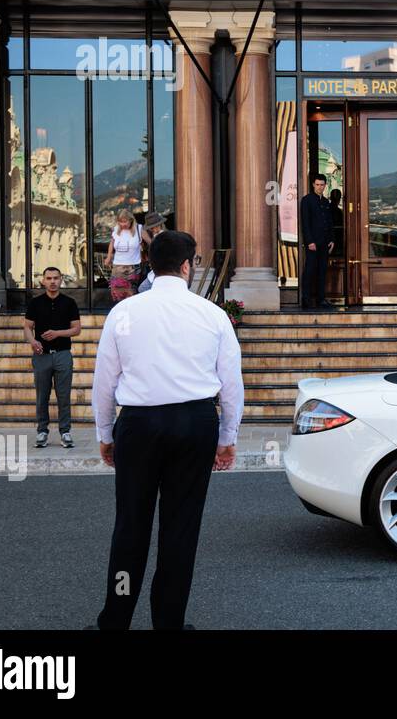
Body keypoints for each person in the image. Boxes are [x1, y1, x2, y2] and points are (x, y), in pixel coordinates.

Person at [90, 230, 244, 631]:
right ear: (188, 265)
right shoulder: (212, 315)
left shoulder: (123, 313)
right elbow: (231, 384)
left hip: (139, 424)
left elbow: (104, 380)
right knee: (180, 528)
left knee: (130, 525)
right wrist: (227, 439)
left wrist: (105, 434)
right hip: (195, 423)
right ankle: (169, 623)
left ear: (150, 264)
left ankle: (116, 621)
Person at [24, 266, 82, 449]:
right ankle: (42, 432)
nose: (52, 281)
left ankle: (65, 432)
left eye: (56, 278)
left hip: (63, 354)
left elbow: (77, 329)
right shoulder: (35, 303)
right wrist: (33, 341)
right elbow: (27, 327)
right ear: (43, 280)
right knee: (42, 396)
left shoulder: (69, 302)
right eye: (49, 278)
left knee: (63, 396)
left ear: (61, 279)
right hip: (41, 356)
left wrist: (58, 333)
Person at [300, 173, 334, 310]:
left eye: (322, 185)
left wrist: (332, 239)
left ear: (325, 185)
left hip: (325, 243)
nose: (320, 187)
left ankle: (321, 299)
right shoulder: (307, 200)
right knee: (309, 271)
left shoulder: (326, 202)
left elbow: (329, 222)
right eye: (317, 184)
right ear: (313, 185)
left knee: (322, 271)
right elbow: (305, 222)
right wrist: (309, 241)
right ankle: (306, 300)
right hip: (312, 243)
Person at [104, 210, 143, 301]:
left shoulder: (139, 229)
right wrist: (109, 257)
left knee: (131, 293)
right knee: (117, 292)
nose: (122, 224)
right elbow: (112, 243)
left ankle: (130, 313)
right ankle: (120, 311)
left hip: (133, 267)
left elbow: (150, 242)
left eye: (125, 221)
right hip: (118, 266)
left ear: (131, 220)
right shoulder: (116, 229)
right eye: (120, 221)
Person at [136, 213, 166, 294]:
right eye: (152, 228)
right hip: (157, 269)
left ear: (160, 225)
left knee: (142, 289)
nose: (153, 229)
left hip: (161, 270)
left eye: (155, 226)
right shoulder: (157, 236)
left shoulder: (162, 236)